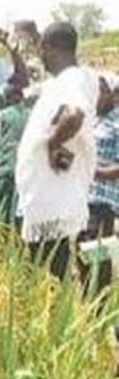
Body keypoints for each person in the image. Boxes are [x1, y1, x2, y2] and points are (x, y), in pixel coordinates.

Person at [15, 22, 100, 279]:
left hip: (54, 207)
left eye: (40, 49)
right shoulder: (68, 80)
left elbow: (75, 114)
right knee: (51, 277)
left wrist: (53, 142)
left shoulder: (73, 79)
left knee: (50, 279)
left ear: (47, 47)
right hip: (50, 203)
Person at [84, 73, 118, 299]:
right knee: (85, 262)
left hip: (101, 204)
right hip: (83, 202)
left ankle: (98, 316)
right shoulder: (93, 119)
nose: (97, 95)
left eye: (102, 91)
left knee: (98, 264)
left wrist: (89, 171)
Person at [0, 84, 32, 225]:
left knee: (3, 209)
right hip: (28, 170)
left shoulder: (1, 116)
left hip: (6, 167)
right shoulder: (33, 115)